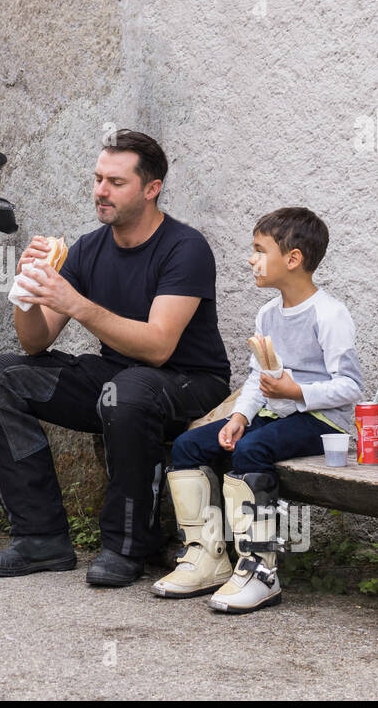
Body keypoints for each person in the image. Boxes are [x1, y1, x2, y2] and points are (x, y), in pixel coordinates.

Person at [0, 130, 231, 587]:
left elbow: (158, 346)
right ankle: (40, 538)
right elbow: (35, 342)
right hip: (120, 379)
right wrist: (28, 290)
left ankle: (129, 545)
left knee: (125, 391)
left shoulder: (185, 248)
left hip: (189, 382)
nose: (100, 191)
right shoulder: (88, 248)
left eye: (115, 182)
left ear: (151, 189)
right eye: (97, 179)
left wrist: (76, 304)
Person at [152, 207, 363, 613]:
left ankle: (259, 570)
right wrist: (238, 417)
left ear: (293, 259)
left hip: (321, 422)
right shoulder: (268, 314)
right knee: (190, 446)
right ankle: (205, 556)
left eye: (259, 249)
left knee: (253, 451)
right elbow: (256, 378)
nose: (251, 259)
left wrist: (296, 390)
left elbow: (351, 386)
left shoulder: (329, 313)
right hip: (275, 416)